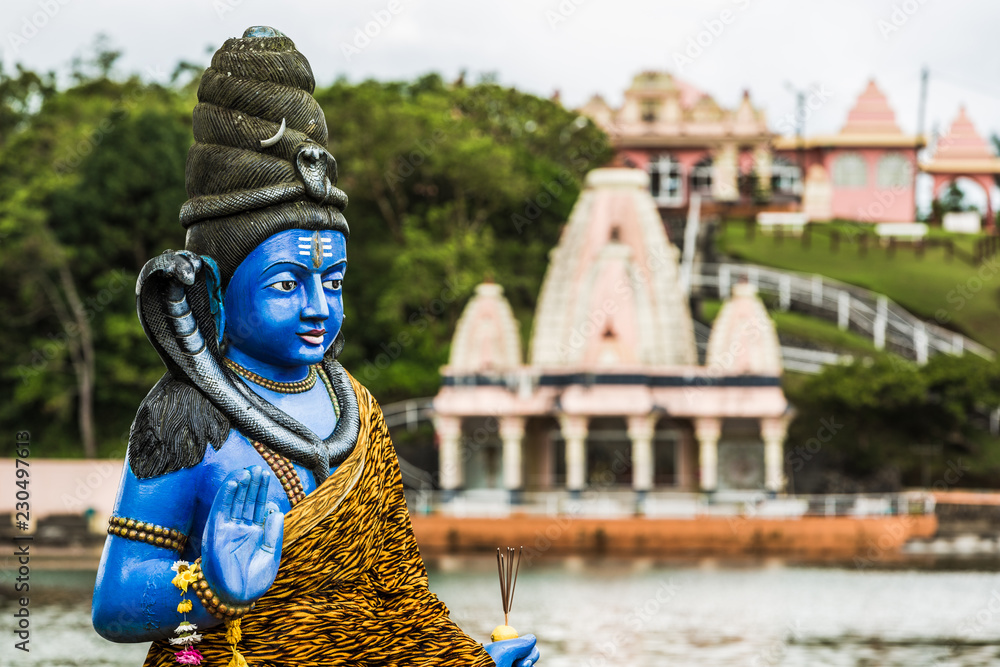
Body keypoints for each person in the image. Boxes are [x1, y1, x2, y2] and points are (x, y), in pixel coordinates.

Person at [91, 26, 539, 667]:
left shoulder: (356, 409)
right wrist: (209, 587)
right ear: (210, 290)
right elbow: (114, 602)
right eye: (285, 283)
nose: (317, 308)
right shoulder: (185, 414)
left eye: (333, 282)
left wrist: (469, 662)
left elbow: (400, 598)